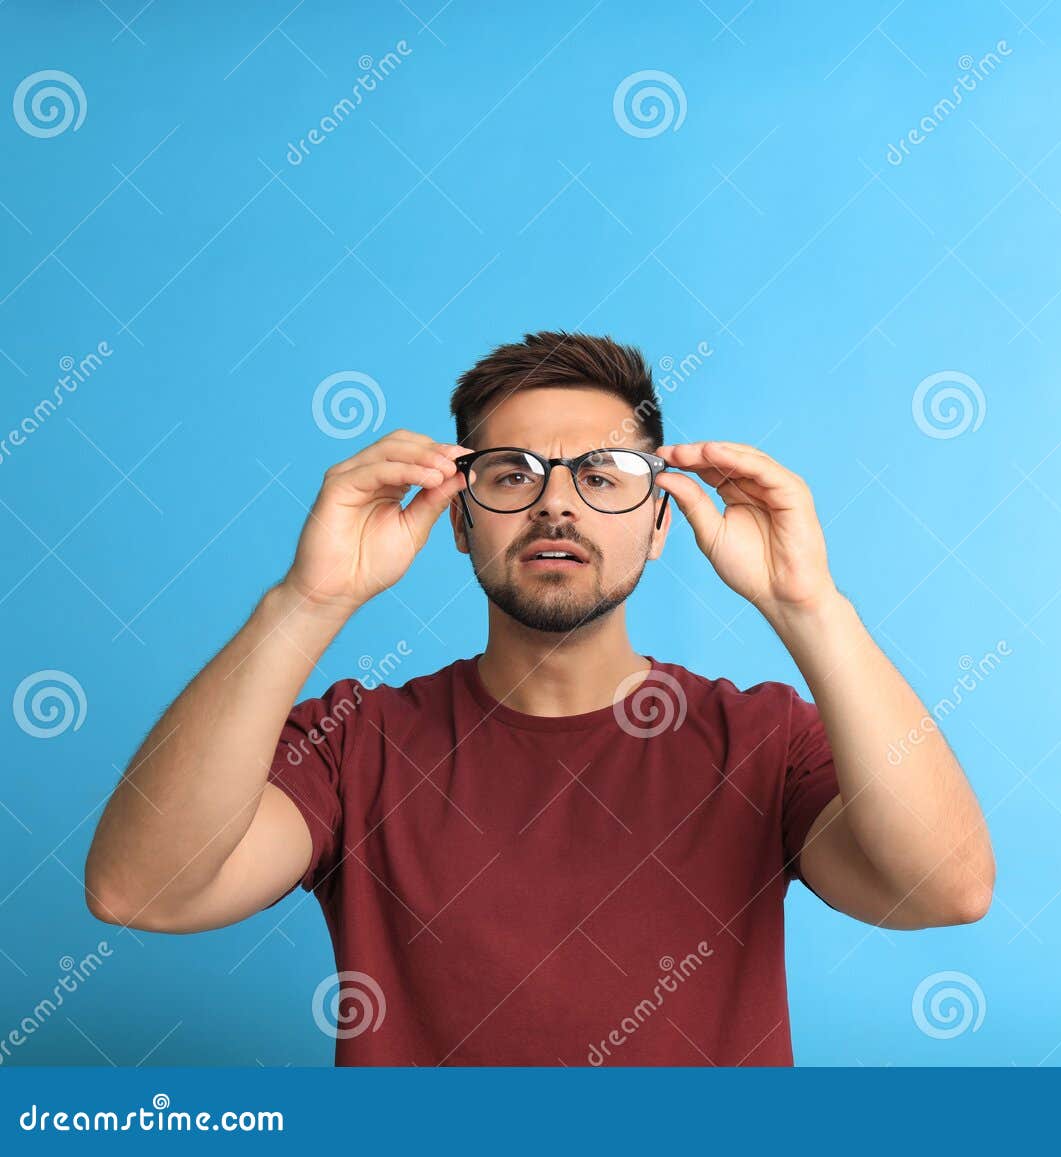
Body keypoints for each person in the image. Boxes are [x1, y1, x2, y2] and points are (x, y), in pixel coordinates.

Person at [83, 330, 995, 1065]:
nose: (556, 505)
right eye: (512, 474)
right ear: (459, 518)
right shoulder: (356, 742)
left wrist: (809, 605)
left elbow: (944, 888)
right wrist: (307, 601)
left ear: (660, 523)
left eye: (602, 476)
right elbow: (141, 891)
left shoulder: (760, 738)